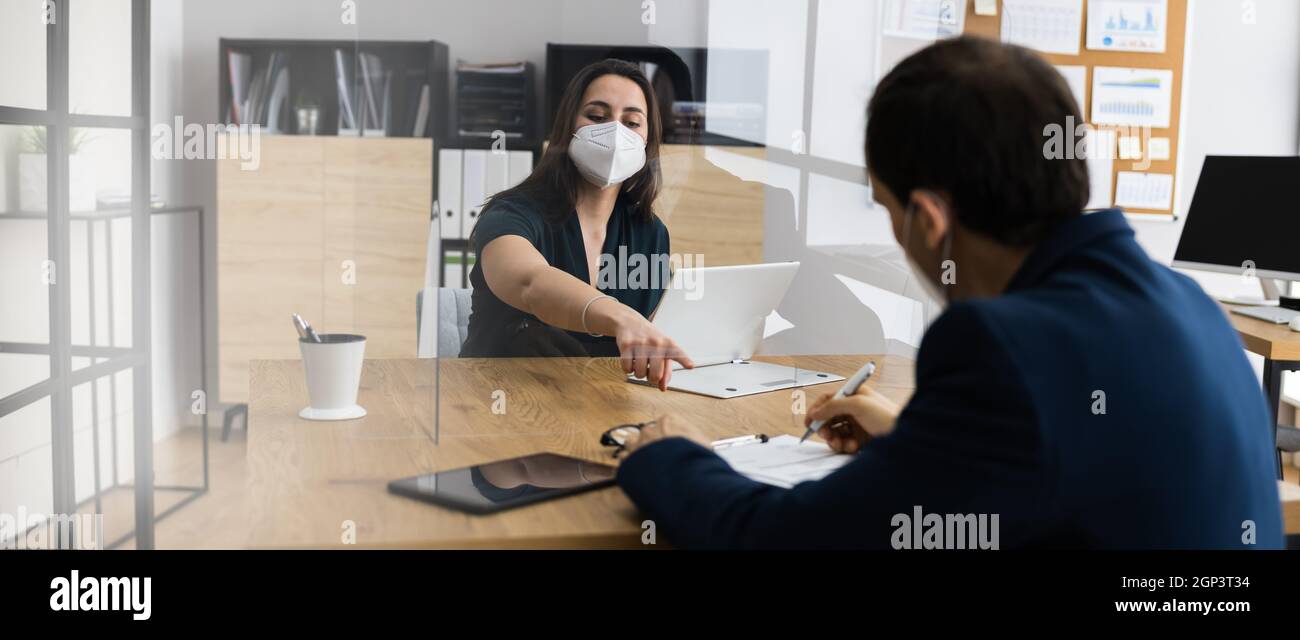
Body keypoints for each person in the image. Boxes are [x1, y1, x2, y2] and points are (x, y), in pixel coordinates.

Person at [614, 37, 1284, 549]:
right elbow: (1060, 473)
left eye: (885, 207)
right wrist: (912, 441)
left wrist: (673, 454)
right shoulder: (1190, 304)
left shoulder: (999, 346)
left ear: (928, 221)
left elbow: (789, 539)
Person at [460, 58, 693, 391]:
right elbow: (530, 283)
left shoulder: (650, 232)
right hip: (499, 402)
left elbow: (650, 339)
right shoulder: (510, 215)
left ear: (648, 139)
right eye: (597, 117)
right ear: (567, 126)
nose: (615, 133)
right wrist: (621, 317)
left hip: (603, 404)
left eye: (632, 122)